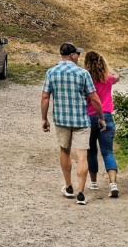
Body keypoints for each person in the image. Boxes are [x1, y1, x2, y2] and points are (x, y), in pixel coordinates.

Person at [41, 43, 104, 206]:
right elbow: (94, 98)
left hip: (61, 120)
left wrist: (44, 118)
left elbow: (45, 97)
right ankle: (81, 193)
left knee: (65, 151)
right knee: (82, 155)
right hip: (81, 120)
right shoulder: (83, 73)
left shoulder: (51, 72)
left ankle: (69, 187)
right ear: (73, 55)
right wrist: (101, 116)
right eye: (78, 54)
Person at [84, 50, 120, 198]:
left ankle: (93, 182)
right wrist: (107, 66)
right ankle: (113, 184)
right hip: (107, 116)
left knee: (91, 150)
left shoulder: (86, 79)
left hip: (90, 117)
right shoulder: (108, 78)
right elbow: (118, 76)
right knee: (107, 151)